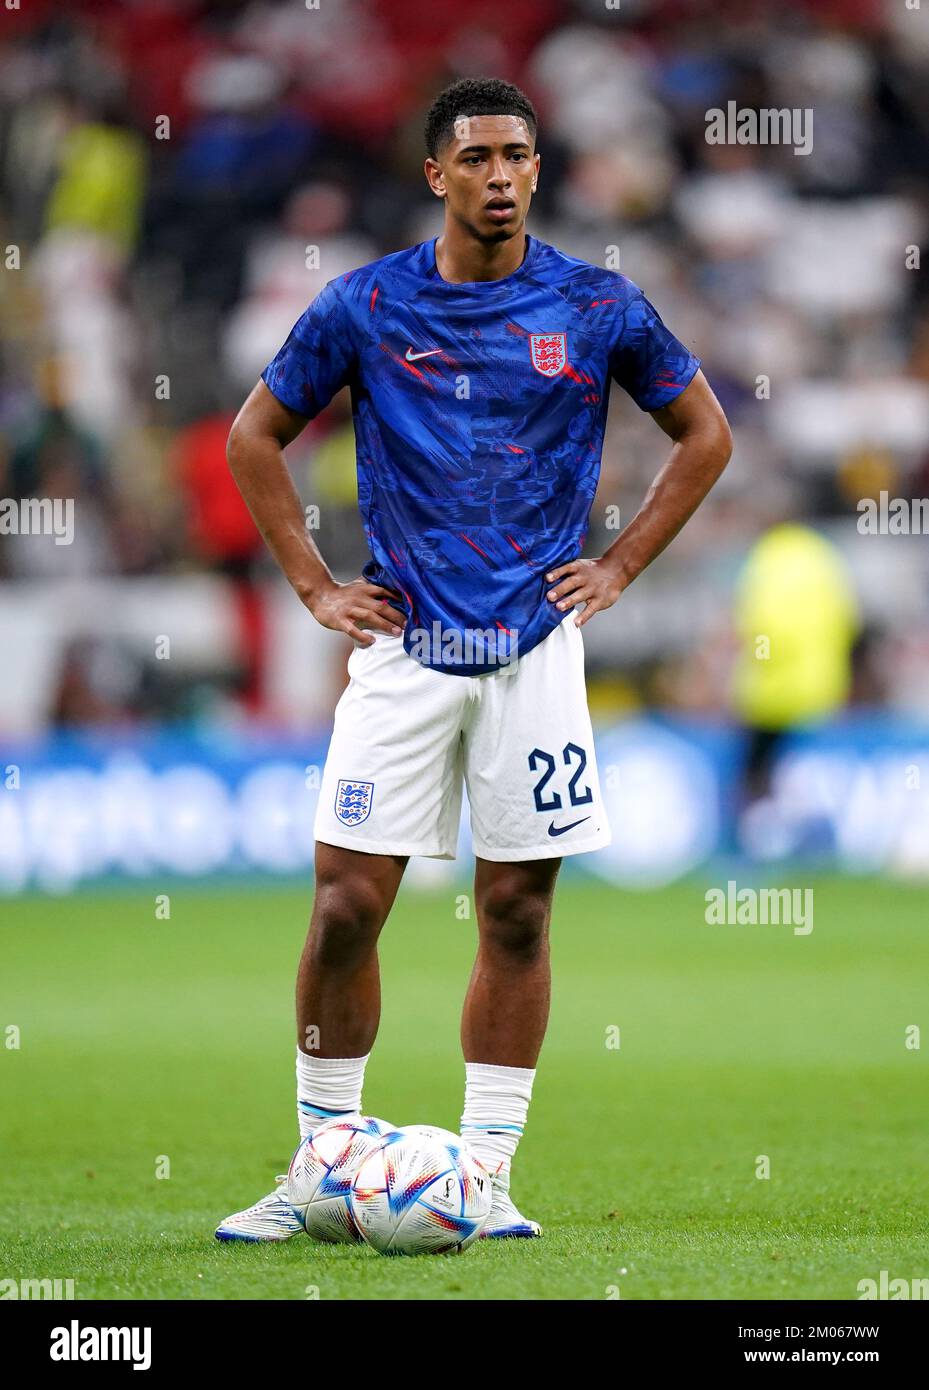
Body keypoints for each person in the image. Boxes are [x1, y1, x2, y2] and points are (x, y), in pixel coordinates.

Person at [216, 77, 731, 1242]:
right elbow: (255, 434)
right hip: (401, 647)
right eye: (477, 157)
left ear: (537, 171)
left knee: (513, 916)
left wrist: (617, 569)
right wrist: (309, 580)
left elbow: (706, 432)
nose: (500, 175)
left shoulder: (596, 306)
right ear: (434, 175)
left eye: (517, 155)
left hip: (533, 651)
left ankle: (485, 1174)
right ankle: (319, 1162)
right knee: (346, 904)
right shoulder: (360, 306)